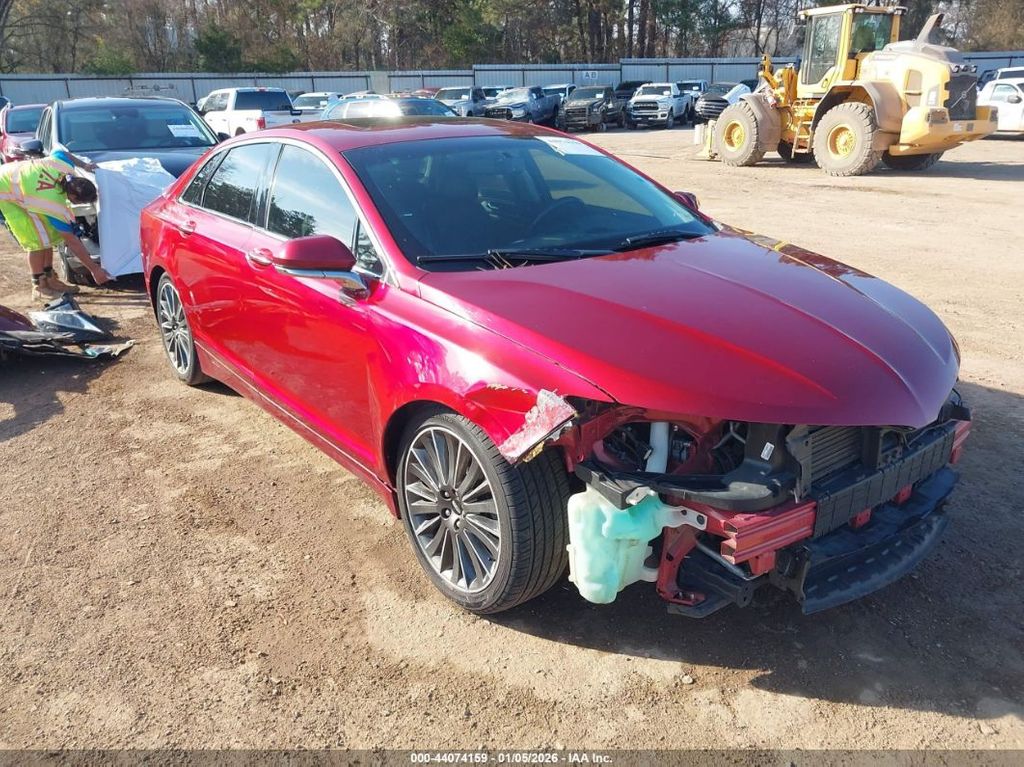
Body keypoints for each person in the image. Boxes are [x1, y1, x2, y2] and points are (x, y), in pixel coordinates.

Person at [0, 149, 112, 302]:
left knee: (49, 236)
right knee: (36, 241)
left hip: (17, 180)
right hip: (6, 191)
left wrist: (84, 166)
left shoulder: (64, 167)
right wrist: (94, 269)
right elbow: (72, 241)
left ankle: (50, 279)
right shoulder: (51, 203)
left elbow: (62, 152)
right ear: (73, 196)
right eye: (80, 202)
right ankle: (39, 286)